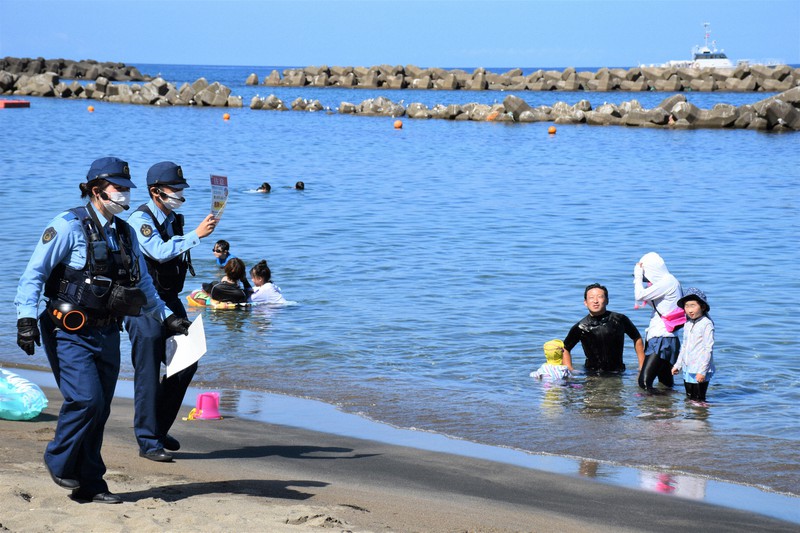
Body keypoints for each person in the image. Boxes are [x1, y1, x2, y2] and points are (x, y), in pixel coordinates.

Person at [14, 157, 191, 503]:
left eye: (127, 189)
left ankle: (91, 483)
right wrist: (25, 320)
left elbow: (145, 286)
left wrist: (168, 317)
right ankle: (59, 460)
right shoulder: (67, 226)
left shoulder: (125, 233)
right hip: (68, 330)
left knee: (101, 409)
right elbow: (34, 273)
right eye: (119, 189)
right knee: (86, 400)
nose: (125, 195)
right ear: (97, 191)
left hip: (107, 332)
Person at [125, 161, 217, 462]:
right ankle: (148, 442)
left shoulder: (174, 219)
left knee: (188, 360)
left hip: (170, 298)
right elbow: (158, 251)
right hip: (142, 303)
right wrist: (197, 235)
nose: (180, 194)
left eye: (181, 189)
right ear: (155, 192)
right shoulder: (141, 219)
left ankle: (158, 428)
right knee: (149, 370)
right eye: (174, 189)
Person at [563, 283, 646, 374]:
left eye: (600, 297)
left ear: (607, 301)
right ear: (585, 302)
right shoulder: (581, 326)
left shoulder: (619, 319)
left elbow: (636, 337)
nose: (595, 301)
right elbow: (565, 348)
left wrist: (642, 367)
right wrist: (570, 369)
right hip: (592, 374)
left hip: (618, 372)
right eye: (591, 297)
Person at [633, 252, 683, 390]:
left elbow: (639, 295)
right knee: (665, 383)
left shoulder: (667, 282)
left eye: (645, 273)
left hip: (662, 339)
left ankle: (654, 409)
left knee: (644, 383)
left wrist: (637, 275)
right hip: (666, 338)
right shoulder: (670, 282)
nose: (645, 278)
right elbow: (656, 304)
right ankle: (666, 409)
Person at [672, 288, 715, 402]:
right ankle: (689, 420)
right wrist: (678, 365)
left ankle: (700, 418)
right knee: (689, 398)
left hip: (700, 369)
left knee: (699, 400)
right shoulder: (688, 323)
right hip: (688, 367)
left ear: (703, 307)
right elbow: (684, 346)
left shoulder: (706, 323)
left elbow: (708, 349)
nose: (689, 310)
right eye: (686, 306)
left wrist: (702, 371)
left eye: (693, 305)